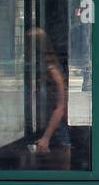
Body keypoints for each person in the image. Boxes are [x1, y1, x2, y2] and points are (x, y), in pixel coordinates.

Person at [28, 28, 70, 169]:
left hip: (56, 133)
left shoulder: (52, 70)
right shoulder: (44, 68)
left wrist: (46, 137)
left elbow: (60, 106)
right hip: (48, 129)